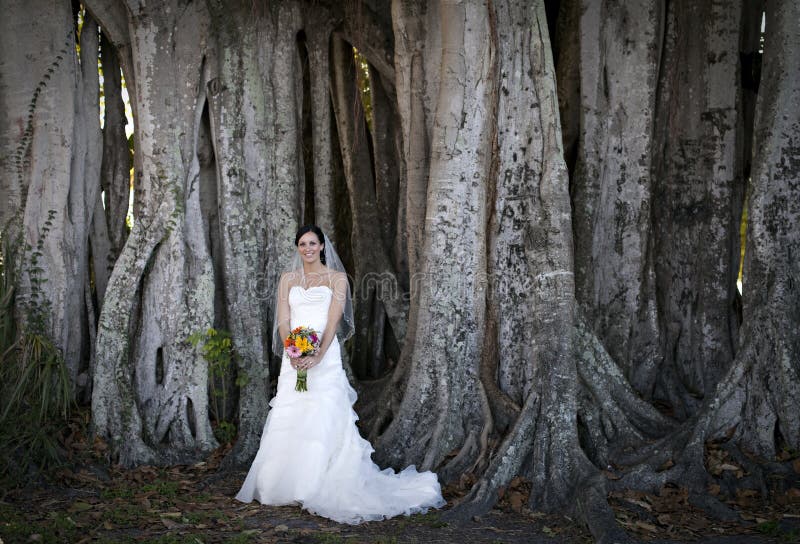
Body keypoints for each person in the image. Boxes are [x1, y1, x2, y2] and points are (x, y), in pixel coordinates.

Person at [236, 225, 445, 524]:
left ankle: (315, 483)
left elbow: (333, 321)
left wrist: (317, 355)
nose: (307, 248)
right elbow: (283, 318)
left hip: (325, 355)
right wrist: (292, 350)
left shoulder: (336, 279)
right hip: (294, 356)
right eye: (302, 244)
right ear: (297, 248)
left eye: (312, 243)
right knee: (291, 410)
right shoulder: (288, 280)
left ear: (322, 246)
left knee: (323, 409)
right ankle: (282, 483)